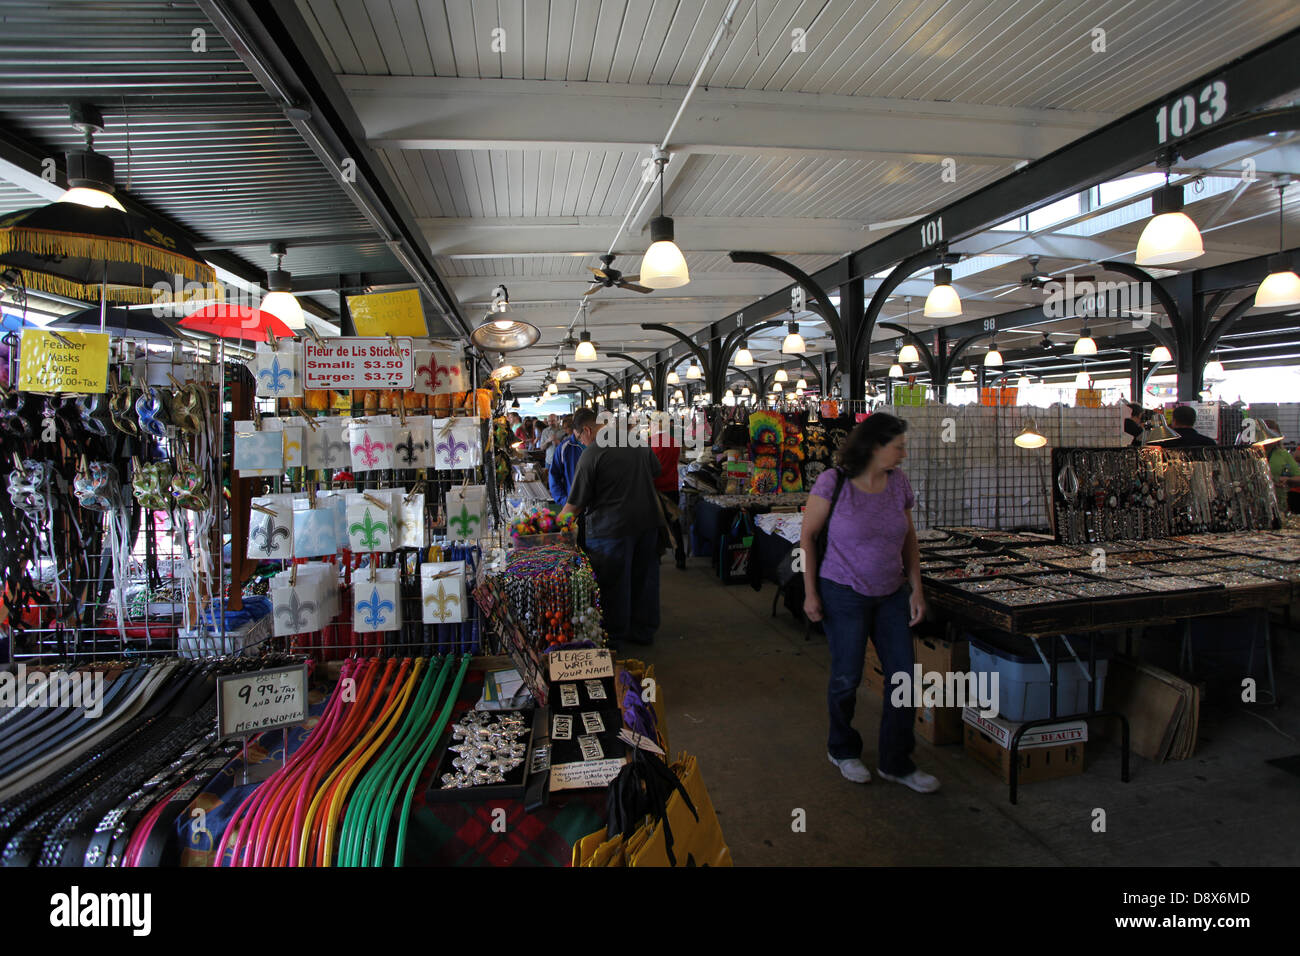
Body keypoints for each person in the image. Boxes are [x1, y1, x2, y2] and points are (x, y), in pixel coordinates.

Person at [799, 413, 938, 795]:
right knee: (847, 677)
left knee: (903, 678)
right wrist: (811, 593)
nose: (903, 454)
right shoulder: (834, 482)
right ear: (875, 446)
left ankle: (897, 761)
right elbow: (808, 537)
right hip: (843, 593)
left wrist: (917, 589)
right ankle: (842, 749)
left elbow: (909, 539)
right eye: (898, 447)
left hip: (892, 594)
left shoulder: (899, 485)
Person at [560, 409, 662, 650]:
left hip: (610, 530)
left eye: (579, 438)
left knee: (614, 584)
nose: (580, 443)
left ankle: (615, 639)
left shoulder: (592, 454)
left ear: (586, 430)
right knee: (644, 579)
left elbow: (574, 506)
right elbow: (655, 472)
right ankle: (643, 632)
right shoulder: (635, 441)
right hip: (647, 523)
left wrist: (553, 529)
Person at [650, 416, 686, 570]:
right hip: (672, 486)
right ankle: (680, 557)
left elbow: (649, 466)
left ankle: (656, 557)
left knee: (655, 524)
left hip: (656, 488)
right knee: (674, 523)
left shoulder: (650, 443)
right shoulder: (675, 443)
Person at [1262, 419, 1300, 513]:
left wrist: (1287, 479)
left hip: (1279, 502)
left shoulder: (1283, 454)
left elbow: (1298, 477)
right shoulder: (1249, 453)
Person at [548, 414, 583, 506]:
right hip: (572, 504)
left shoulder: (600, 446)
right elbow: (554, 476)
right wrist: (564, 501)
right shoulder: (564, 447)